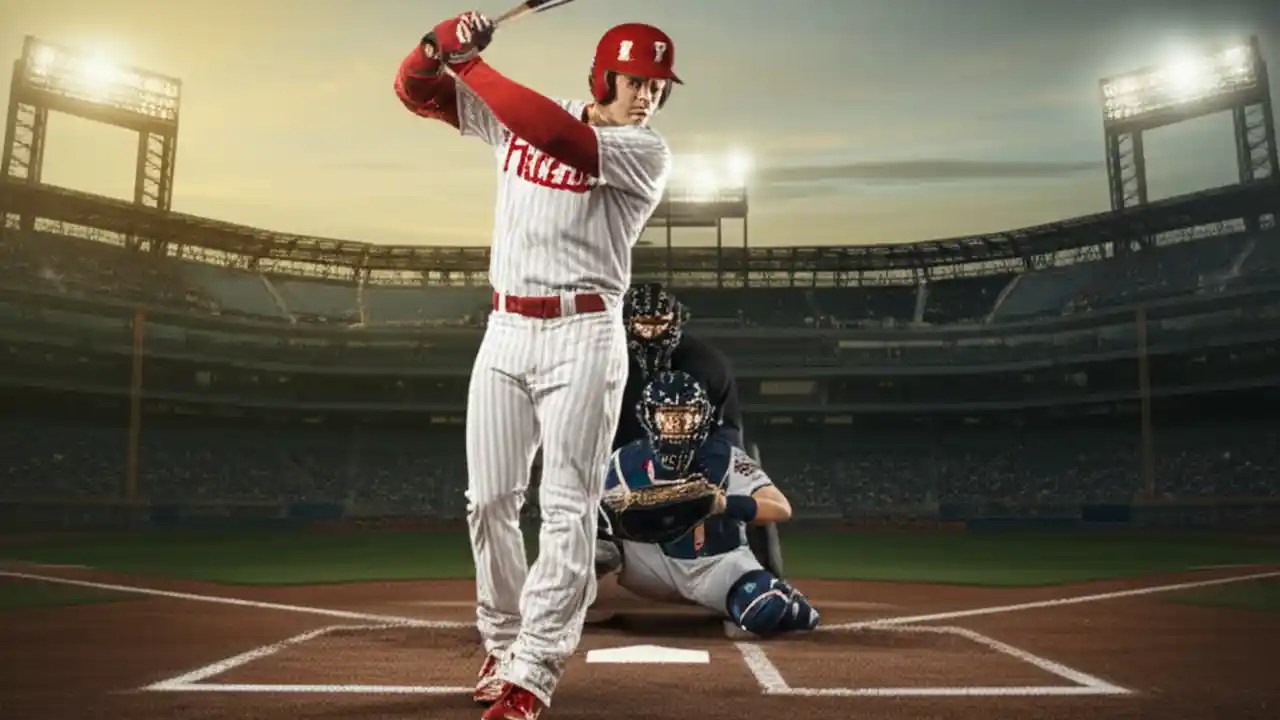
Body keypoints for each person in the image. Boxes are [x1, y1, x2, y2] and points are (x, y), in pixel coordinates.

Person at [393, 13, 681, 720]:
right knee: (489, 500)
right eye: (634, 80)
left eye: (657, 86)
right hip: (506, 329)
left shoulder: (644, 150)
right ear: (602, 76)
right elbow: (414, 91)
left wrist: (469, 62)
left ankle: (535, 670)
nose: (646, 95)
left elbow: (557, 138)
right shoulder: (528, 110)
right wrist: (434, 46)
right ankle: (502, 641)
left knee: (565, 506)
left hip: (584, 333)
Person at [597, 370, 820, 636]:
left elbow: (781, 508)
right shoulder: (625, 459)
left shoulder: (724, 457)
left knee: (763, 611)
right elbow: (594, 510)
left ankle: (782, 603)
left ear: (702, 417)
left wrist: (721, 504)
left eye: (686, 417)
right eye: (667, 417)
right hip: (649, 562)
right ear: (649, 417)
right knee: (591, 541)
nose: (676, 426)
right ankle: (572, 603)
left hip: (716, 565)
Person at [614, 282, 743, 450]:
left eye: (660, 323)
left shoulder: (706, 362)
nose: (652, 332)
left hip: (695, 457)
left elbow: (727, 429)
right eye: (643, 324)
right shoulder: (611, 363)